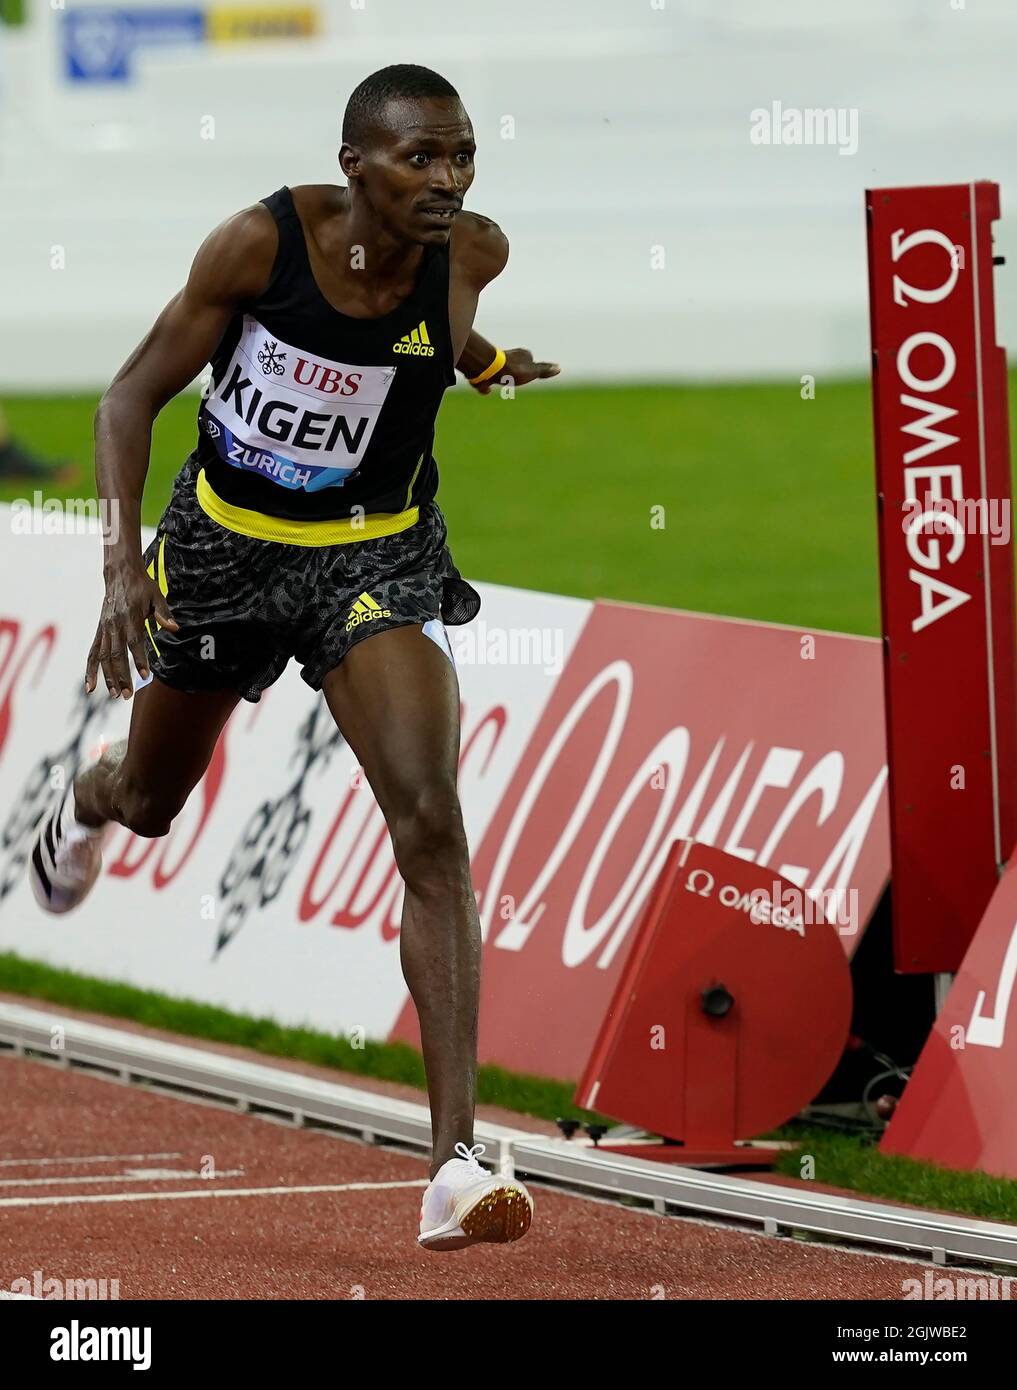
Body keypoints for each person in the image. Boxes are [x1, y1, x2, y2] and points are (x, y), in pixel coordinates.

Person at [28, 63, 559, 1251]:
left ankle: (455, 1163)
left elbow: (443, 336)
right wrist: (124, 569)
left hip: (373, 559)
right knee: (155, 797)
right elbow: (129, 398)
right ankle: (89, 796)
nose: (450, 178)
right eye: (422, 157)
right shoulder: (258, 246)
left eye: (463, 153)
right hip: (225, 552)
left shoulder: (471, 250)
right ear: (355, 162)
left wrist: (487, 366)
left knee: (429, 817)